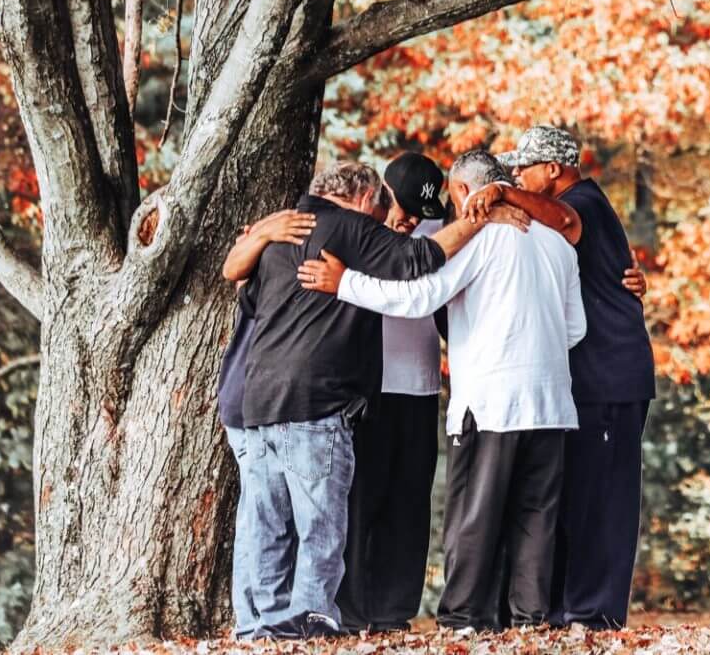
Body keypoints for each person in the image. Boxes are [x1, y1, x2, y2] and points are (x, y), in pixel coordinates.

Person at [297, 149, 585, 632]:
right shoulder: (558, 245)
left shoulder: (480, 235)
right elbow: (575, 329)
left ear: (465, 191)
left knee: (474, 513)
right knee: (536, 517)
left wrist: (344, 283)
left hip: (490, 402)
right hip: (553, 404)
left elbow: (421, 297)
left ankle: (464, 619)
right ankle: (530, 622)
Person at [237, 160, 509, 638]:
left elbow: (248, 296)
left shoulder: (280, 234)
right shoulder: (351, 227)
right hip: (316, 398)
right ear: (366, 197)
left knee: (266, 522)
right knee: (321, 522)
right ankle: (311, 621)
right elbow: (418, 259)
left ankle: (260, 626)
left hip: (260, 398)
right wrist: (481, 216)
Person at [337, 151, 529, 634]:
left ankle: (393, 611)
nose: (408, 221)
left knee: (408, 502)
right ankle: (351, 611)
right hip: (367, 385)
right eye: (402, 208)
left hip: (420, 386)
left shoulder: (442, 230)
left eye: (419, 214)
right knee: (361, 500)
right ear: (384, 193)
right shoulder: (361, 229)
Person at [498, 125, 657, 630]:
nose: (516, 177)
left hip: (610, 377)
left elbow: (565, 221)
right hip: (589, 379)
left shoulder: (580, 203)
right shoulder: (573, 210)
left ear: (553, 169)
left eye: (523, 169)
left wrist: (501, 193)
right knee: (578, 492)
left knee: (603, 497)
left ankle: (594, 613)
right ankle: (569, 609)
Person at [216, 208, 318, 639]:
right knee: (264, 515)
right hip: (253, 402)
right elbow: (233, 270)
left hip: (256, 399)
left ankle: (256, 618)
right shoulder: (275, 254)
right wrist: (261, 234)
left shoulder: (277, 250)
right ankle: (256, 620)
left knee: (260, 512)